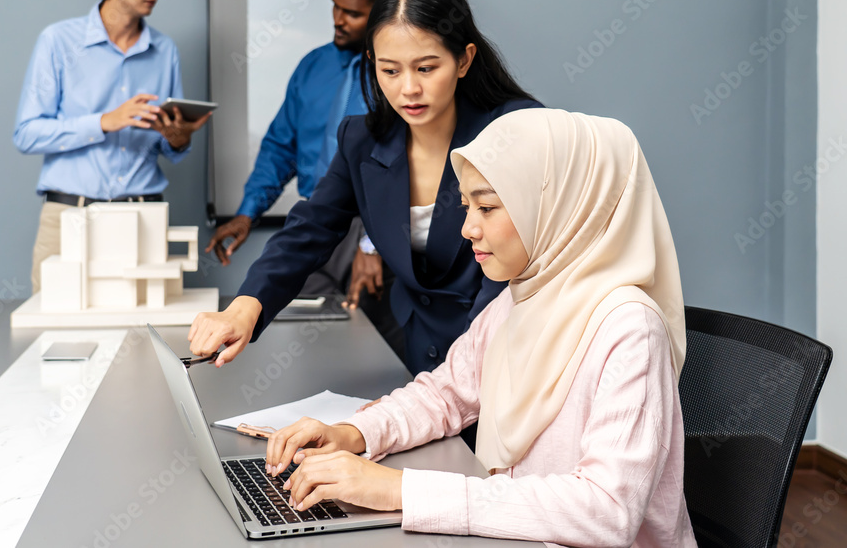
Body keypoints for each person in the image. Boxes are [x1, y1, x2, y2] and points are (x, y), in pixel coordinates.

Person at [262, 108, 697, 547]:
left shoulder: (630, 329)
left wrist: (399, 490)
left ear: (558, 206)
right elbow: (444, 394)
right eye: (467, 207)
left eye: (487, 208)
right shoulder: (517, 300)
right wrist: (354, 433)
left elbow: (607, 510)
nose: (468, 228)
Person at [189, 0, 541, 375]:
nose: (409, 88)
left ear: (463, 59)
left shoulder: (516, 130)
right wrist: (243, 308)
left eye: (426, 68)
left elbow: (510, 275)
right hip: (421, 354)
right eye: (390, 70)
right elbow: (310, 230)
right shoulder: (362, 140)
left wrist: (447, 390)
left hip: (505, 358)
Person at [205, 0, 412, 318]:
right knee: (303, 327)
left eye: (352, 13)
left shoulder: (404, 79)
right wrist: (248, 212)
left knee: (374, 339)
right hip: (317, 222)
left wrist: (372, 246)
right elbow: (280, 148)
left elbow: (411, 163)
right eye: (336, 6)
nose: (338, 19)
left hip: (378, 228)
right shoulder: (312, 68)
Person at [13, 0, 209, 293]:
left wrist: (178, 138)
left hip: (144, 218)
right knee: (55, 325)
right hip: (69, 217)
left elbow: (171, 148)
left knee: (145, 326)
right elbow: (26, 134)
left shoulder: (164, 50)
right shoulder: (58, 41)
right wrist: (104, 121)